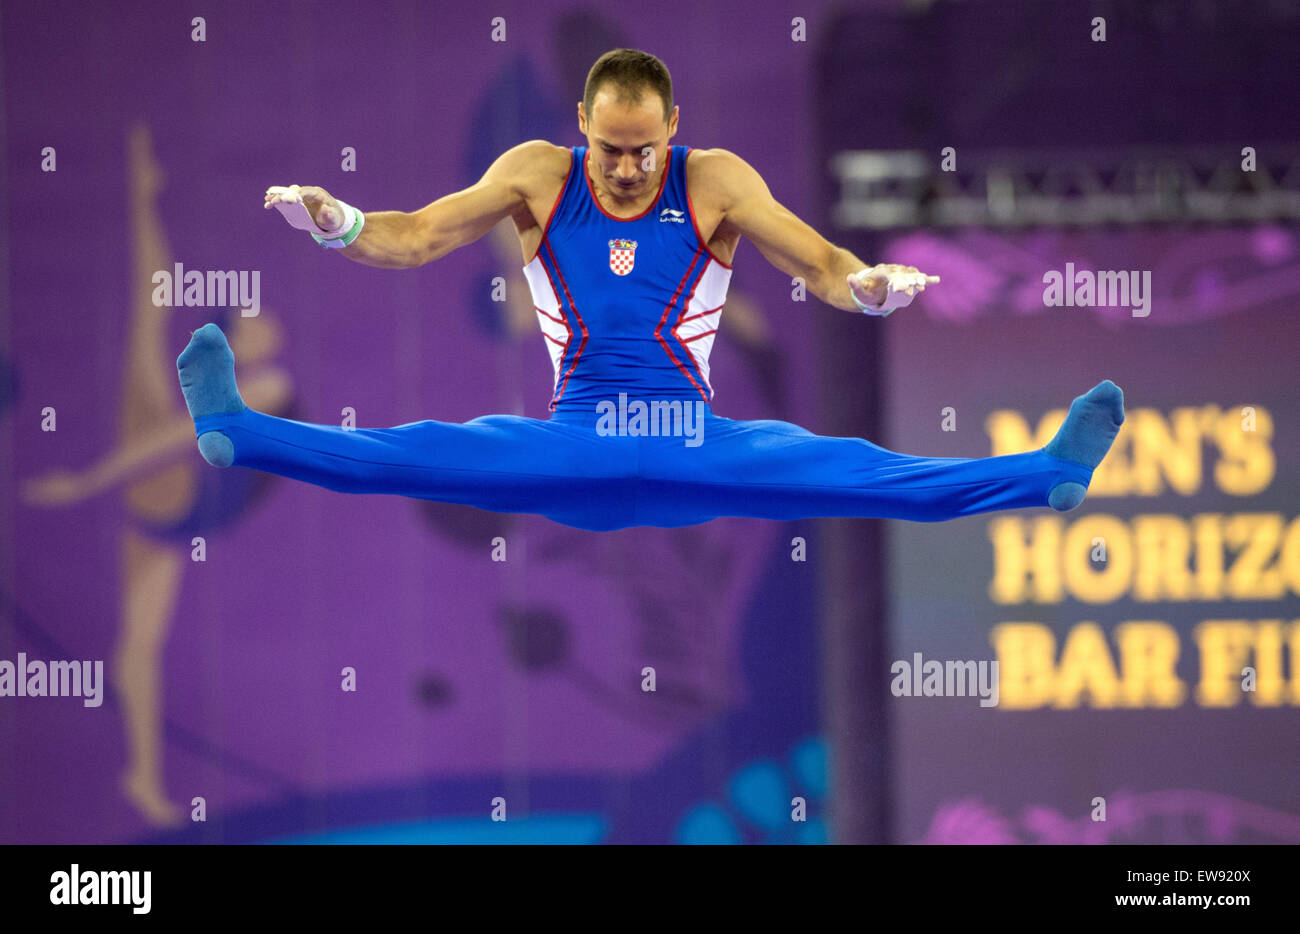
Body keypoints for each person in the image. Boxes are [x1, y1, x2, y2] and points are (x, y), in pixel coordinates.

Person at [176, 49, 1123, 533]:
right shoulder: (537, 174)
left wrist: (871, 288)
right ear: (578, 123)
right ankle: (237, 429)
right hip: (576, 442)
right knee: (411, 455)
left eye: (645, 149)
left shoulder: (714, 179)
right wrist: (337, 219)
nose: (627, 169)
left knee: (859, 474)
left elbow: (823, 265)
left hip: (692, 444)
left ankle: (1047, 475)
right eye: (609, 148)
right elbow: (417, 236)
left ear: (676, 126)